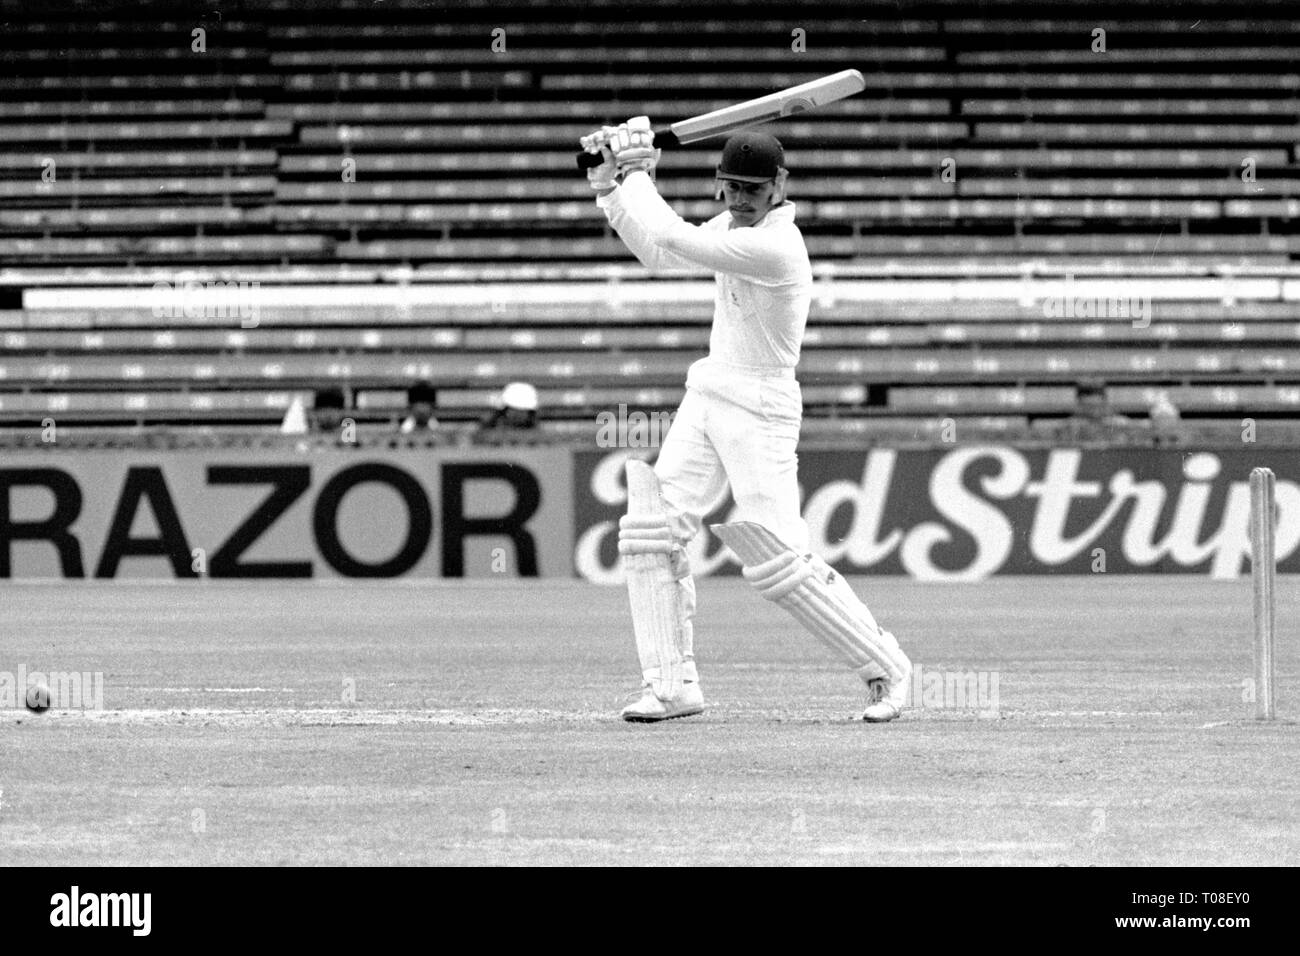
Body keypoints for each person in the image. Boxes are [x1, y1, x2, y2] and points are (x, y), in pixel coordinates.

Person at [584, 120, 913, 723]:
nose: (740, 200)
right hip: (710, 389)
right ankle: (671, 685)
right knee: (651, 531)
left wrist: (635, 172)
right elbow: (658, 252)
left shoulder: (776, 247)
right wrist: (611, 188)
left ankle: (887, 670)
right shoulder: (733, 226)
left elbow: (672, 234)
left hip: (761, 404)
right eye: (731, 187)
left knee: (777, 560)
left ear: (779, 185)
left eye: (752, 191)